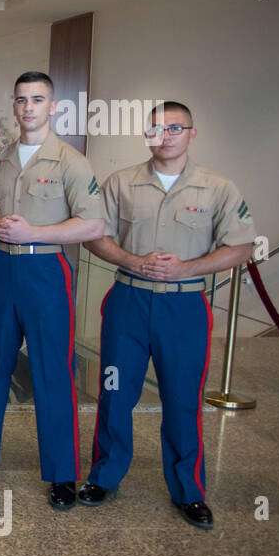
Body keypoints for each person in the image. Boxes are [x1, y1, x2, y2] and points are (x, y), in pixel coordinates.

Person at [81, 101, 254, 529]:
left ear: (191, 133)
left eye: (175, 128)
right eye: (157, 128)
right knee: (115, 393)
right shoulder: (121, 183)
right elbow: (93, 234)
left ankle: (188, 490)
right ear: (147, 135)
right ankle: (104, 476)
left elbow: (242, 247)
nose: (166, 135)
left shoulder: (218, 188)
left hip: (184, 307)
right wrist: (132, 260)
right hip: (128, 304)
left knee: (182, 401)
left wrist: (186, 269)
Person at [0, 71, 105, 510]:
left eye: (37, 99)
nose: (28, 107)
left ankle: (62, 473)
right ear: (14, 106)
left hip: (45, 269)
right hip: (3, 268)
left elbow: (93, 223)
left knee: (51, 370)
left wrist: (34, 230)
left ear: (52, 106)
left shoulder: (71, 162)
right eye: (21, 100)